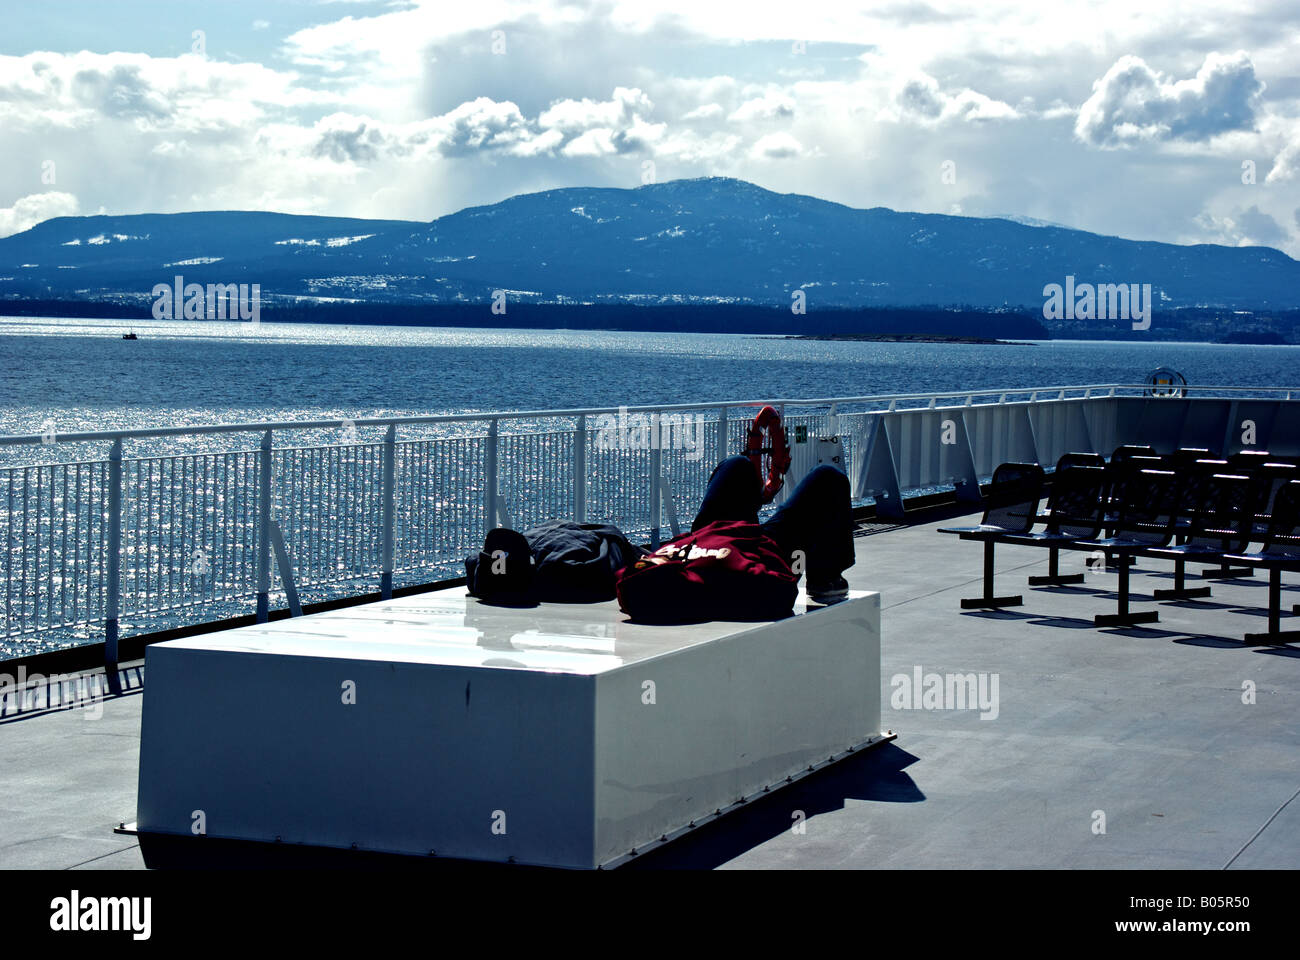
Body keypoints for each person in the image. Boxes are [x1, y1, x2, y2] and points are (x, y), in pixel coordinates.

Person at [691, 455, 854, 604]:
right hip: (753, 565)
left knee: (736, 464)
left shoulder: (673, 575)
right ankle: (825, 579)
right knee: (827, 477)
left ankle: (700, 541)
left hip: (702, 553)